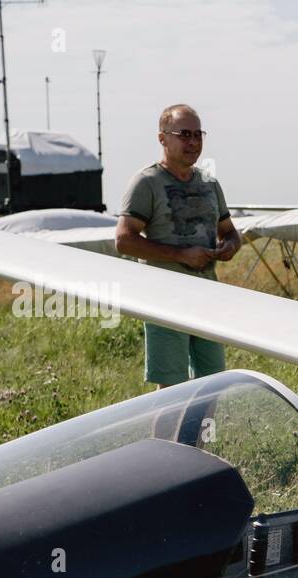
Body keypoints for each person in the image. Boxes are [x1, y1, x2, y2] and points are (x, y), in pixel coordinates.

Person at [114, 104, 243, 388]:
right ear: (162, 138)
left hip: (207, 299)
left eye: (198, 134)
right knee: (171, 393)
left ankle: (195, 435)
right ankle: (166, 436)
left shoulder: (210, 183)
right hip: (165, 300)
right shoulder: (146, 182)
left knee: (212, 386)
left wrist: (229, 247)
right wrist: (180, 255)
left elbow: (230, 232)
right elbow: (124, 240)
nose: (193, 142)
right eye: (184, 134)